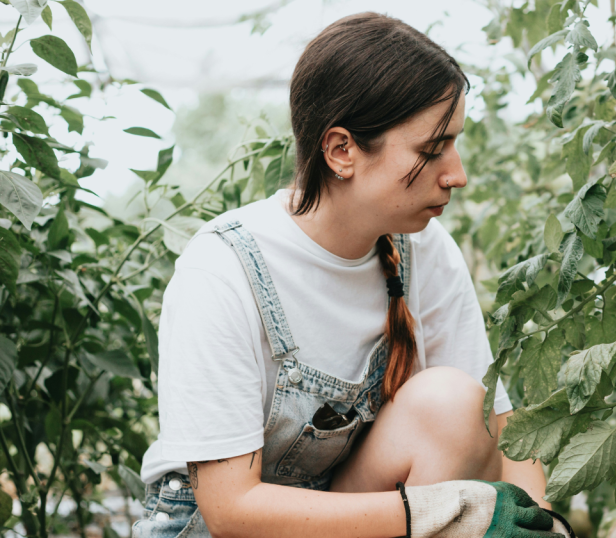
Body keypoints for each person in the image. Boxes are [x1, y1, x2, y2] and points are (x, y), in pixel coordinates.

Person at [132, 12, 574, 538]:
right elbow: (231, 510)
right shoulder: (224, 270)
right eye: (432, 150)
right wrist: (434, 511)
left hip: (349, 516)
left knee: (454, 404)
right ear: (342, 150)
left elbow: (502, 432)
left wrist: (546, 525)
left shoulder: (422, 249)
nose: (457, 174)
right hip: (214, 529)